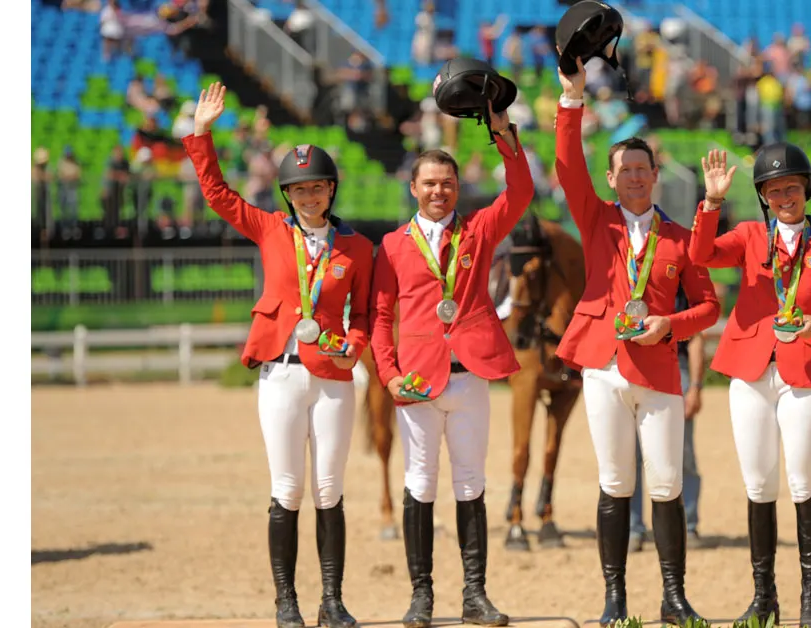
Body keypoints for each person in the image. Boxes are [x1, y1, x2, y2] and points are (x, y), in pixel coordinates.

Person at [183, 82, 373, 628]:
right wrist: (202, 134)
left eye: (318, 187)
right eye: (299, 189)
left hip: (334, 377)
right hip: (281, 376)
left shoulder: (358, 248)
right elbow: (218, 195)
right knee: (287, 489)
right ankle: (286, 602)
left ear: (331, 190)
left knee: (330, 490)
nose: (309, 196)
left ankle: (332, 602)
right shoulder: (269, 229)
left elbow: (364, 314)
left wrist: (354, 347)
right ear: (287, 194)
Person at [553, 57, 720, 628]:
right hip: (603, 367)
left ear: (655, 174)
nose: (634, 177)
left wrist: (669, 325)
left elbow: (709, 307)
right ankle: (615, 600)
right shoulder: (594, 219)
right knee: (615, 482)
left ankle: (674, 599)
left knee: (667, 484)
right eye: (624, 170)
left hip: (659, 370)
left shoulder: (680, 238)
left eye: (642, 169)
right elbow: (566, 163)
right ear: (611, 179)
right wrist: (572, 99)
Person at [687, 144, 811, 628]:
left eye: (791, 188)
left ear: (806, 190)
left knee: (804, 485)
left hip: (805, 371)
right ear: (764, 198)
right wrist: (712, 202)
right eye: (773, 190)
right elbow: (700, 254)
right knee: (758, 485)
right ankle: (764, 598)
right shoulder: (749, 236)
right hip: (749, 372)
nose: (784, 197)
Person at [369, 101, 533, 628]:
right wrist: (389, 373)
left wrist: (505, 137)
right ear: (413, 188)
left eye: (447, 183)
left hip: (469, 378)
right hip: (417, 380)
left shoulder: (479, 231)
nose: (438, 191)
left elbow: (521, 192)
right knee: (419, 483)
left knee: (471, 483)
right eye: (429, 184)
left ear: (458, 187)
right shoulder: (392, 246)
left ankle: (474, 595)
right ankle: (421, 597)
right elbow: (380, 317)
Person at [628, 286, 705, 553]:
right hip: (631, 365)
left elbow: (695, 337)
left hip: (674, 362)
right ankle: (633, 527)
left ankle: (688, 524)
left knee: (682, 452)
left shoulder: (679, 286)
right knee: (632, 455)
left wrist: (695, 387)